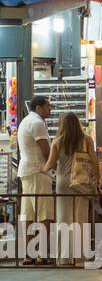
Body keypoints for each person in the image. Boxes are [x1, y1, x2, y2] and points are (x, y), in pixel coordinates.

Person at [42, 112, 97, 265]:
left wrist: (41, 167)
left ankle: (64, 258)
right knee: (80, 219)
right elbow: (94, 161)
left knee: (64, 220)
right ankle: (79, 258)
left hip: (63, 184)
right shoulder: (87, 140)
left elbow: (50, 165)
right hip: (81, 182)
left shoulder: (58, 141)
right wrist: (97, 180)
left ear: (62, 125)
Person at [17, 96, 53, 263]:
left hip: (27, 172)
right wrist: (57, 167)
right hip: (39, 171)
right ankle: (41, 254)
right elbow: (47, 152)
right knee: (44, 214)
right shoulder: (38, 123)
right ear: (38, 107)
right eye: (47, 106)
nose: (50, 109)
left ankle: (28, 254)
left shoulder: (25, 121)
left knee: (28, 214)